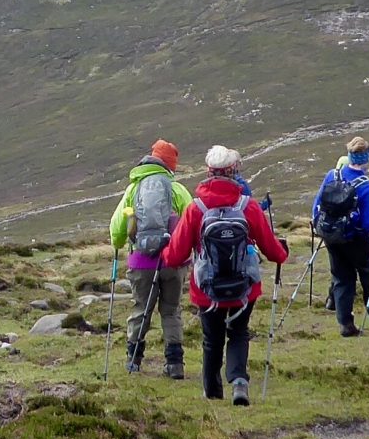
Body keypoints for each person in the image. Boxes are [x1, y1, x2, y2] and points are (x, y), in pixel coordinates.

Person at [162, 146, 288, 405]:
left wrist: (163, 251)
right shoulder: (248, 206)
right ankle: (239, 382)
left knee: (212, 339)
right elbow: (274, 252)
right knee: (239, 333)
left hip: (207, 291)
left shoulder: (195, 209)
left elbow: (174, 256)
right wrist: (282, 254)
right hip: (244, 289)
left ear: (209, 172)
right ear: (234, 172)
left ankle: (212, 391)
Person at [108, 140, 194, 378]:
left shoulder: (133, 189)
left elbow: (116, 229)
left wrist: (118, 244)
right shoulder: (177, 190)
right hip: (173, 261)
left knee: (140, 309)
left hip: (141, 262)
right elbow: (191, 224)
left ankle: (133, 361)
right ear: (170, 166)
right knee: (171, 310)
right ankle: (175, 364)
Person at [311, 136, 369, 336]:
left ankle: (345, 324)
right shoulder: (366, 186)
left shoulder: (332, 174)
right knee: (367, 272)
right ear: (367, 157)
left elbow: (316, 207)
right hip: (355, 239)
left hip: (331, 236)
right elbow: (367, 223)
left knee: (341, 277)